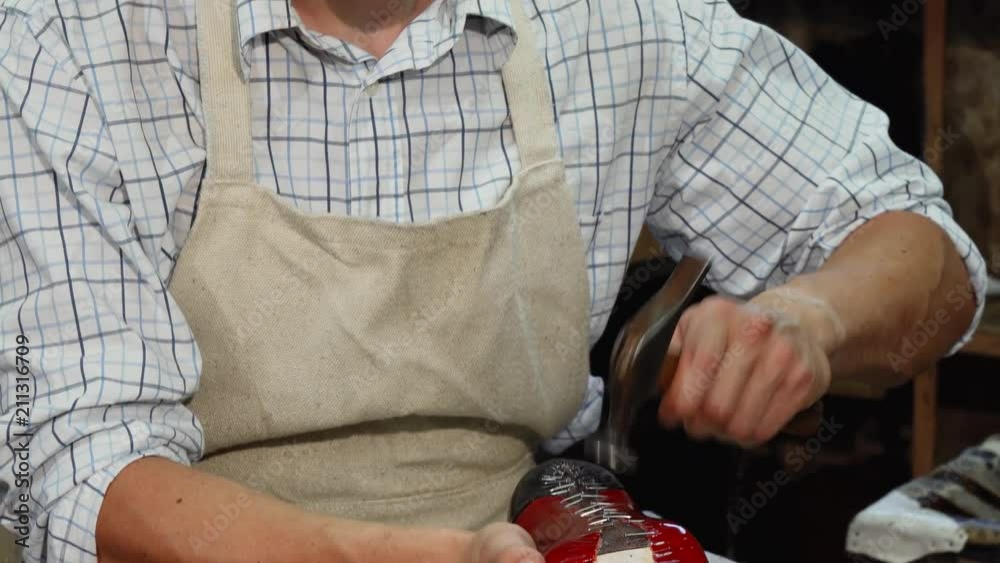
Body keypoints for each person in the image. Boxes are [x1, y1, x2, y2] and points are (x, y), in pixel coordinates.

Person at [0, 0, 984, 561]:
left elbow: (922, 251)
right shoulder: (74, 40)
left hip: (522, 530)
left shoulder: (620, 22)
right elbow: (81, 469)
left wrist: (812, 316)